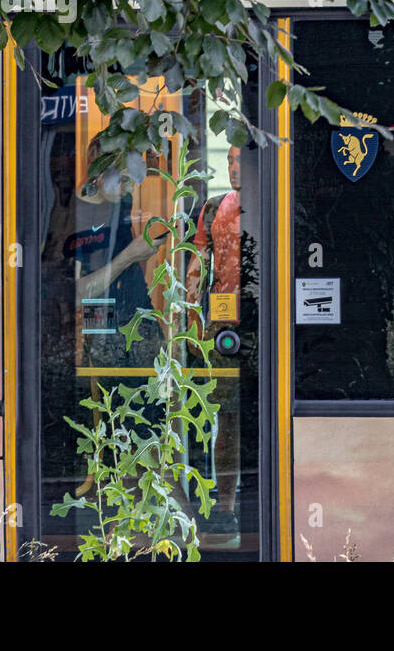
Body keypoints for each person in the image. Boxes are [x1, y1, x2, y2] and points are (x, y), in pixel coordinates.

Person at [185, 145, 246, 549]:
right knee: (212, 420)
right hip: (216, 331)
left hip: (258, 329)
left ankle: (229, 503)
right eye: (230, 160)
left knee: (238, 423)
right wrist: (191, 319)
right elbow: (196, 266)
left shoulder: (273, 201)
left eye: (242, 160)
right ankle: (214, 504)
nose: (235, 167)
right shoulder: (212, 208)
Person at [70, 134, 164, 367]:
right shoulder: (72, 216)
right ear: (98, 172)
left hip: (137, 309)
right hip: (99, 317)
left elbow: (126, 245)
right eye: (123, 179)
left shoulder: (122, 201)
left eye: (132, 178)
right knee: (114, 391)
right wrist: (129, 256)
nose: (130, 187)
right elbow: (77, 294)